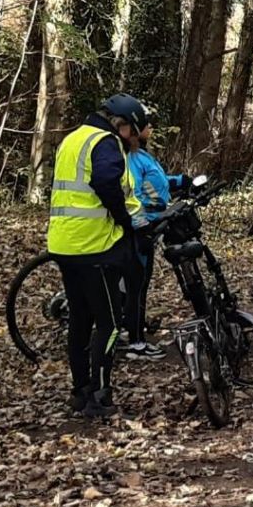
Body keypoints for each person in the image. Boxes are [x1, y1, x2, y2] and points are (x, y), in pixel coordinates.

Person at [47, 93, 147, 418]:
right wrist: (125, 220)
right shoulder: (105, 141)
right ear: (121, 124)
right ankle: (101, 395)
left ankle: (79, 392)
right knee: (109, 323)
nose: (133, 138)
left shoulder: (74, 138)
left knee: (79, 320)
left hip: (64, 244)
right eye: (132, 131)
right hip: (94, 247)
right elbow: (106, 183)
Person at [122, 108, 189, 361]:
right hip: (141, 229)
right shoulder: (130, 158)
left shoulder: (142, 155)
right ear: (136, 130)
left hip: (152, 224)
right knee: (137, 286)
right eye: (147, 124)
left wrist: (182, 181)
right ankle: (136, 343)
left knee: (135, 285)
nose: (151, 128)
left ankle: (127, 331)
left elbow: (155, 183)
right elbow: (134, 194)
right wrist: (146, 221)